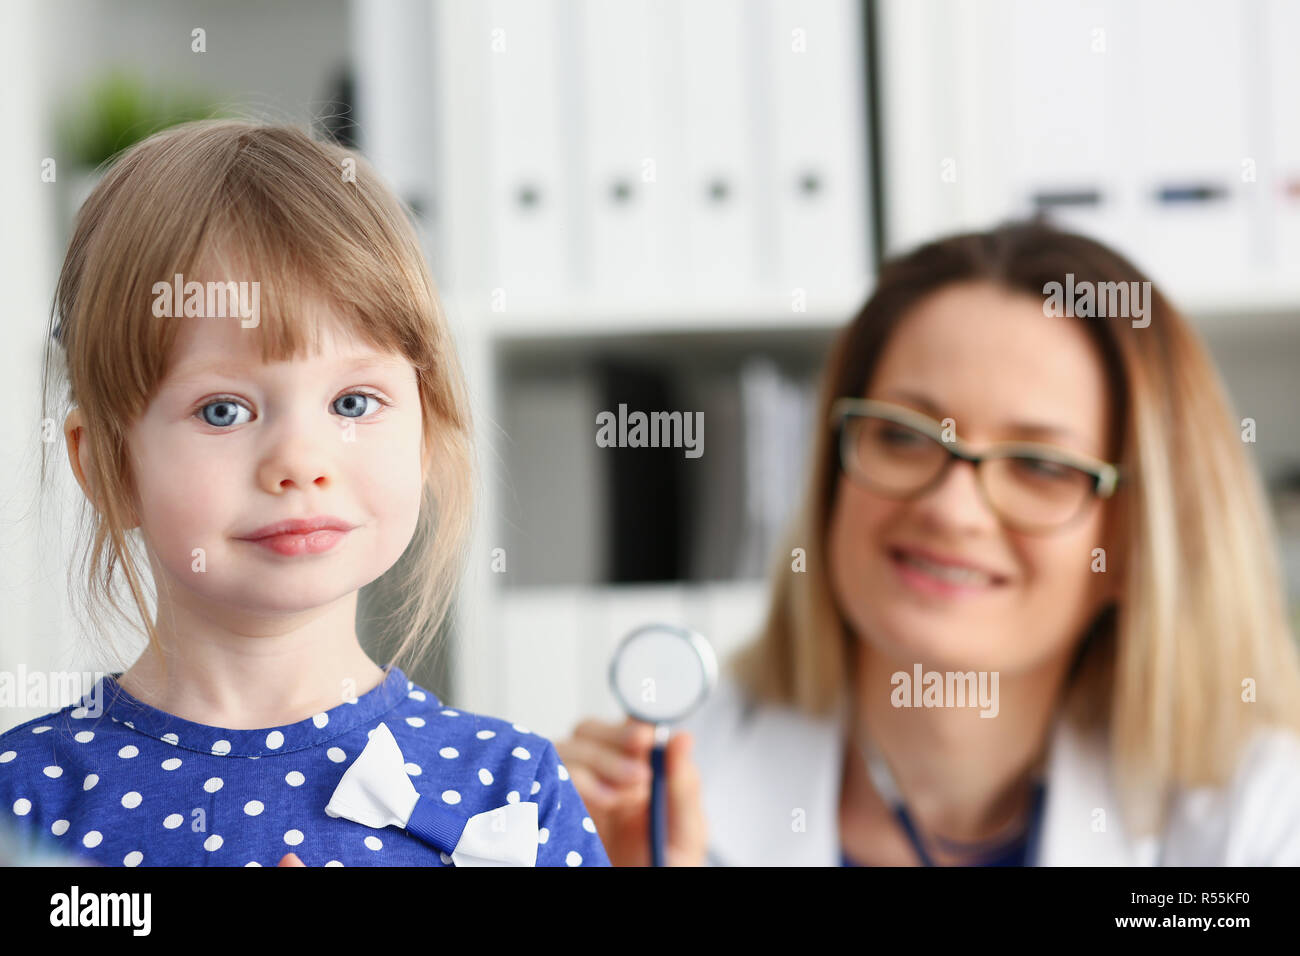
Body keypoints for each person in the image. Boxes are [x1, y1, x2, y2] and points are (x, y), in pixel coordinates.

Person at [557, 221, 1300, 866]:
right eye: (904, 436)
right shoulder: (635, 805)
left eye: (1041, 465)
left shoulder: (1256, 821)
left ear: (1141, 539)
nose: (953, 508)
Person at [0, 120, 608, 867]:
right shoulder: (23, 803)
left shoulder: (512, 791)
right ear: (109, 470)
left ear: (426, 433)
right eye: (222, 410)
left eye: (353, 402)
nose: (299, 462)